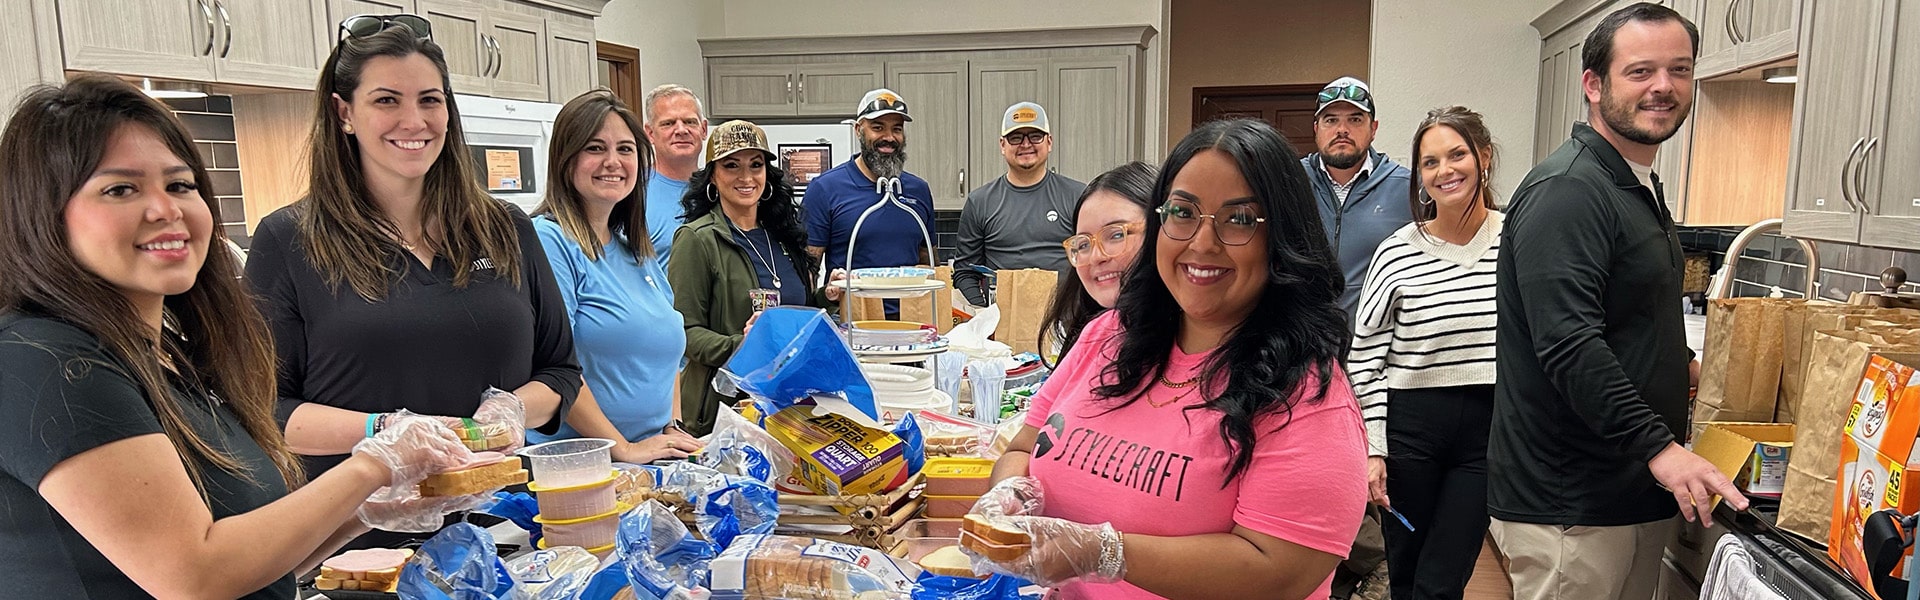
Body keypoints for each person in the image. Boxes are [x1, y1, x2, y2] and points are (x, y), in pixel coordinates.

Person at [0, 73, 476, 599]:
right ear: (43, 216)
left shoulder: (169, 358)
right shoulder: (45, 362)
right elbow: (195, 576)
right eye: (120, 189)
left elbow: (250, 567)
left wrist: (364, 511)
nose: (167, 210)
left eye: (180, 185)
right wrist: (373, 463)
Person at [973, 118, 1367, 599]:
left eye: (1239, 219)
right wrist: (1008, 496)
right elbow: (1021, 450)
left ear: (1281, 240)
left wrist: (1105, 552)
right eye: (1183, 213)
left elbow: (1279, 571)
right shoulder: (1106, 337)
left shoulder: (1307, 397)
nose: (1202, 243)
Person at [245, 16, 580, 547]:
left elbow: (559, 369)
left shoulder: (506, 229)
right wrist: (387, 434)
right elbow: (265, 410)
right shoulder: (288, 240)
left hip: (507, 531)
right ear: (344, 113)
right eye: (386, 100)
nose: (414, 119)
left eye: (430, 99)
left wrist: (512, 408)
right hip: (358, 540)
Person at [1491, 5, 1744, 600]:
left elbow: (1636, 317)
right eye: (1641, 71)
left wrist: (1692, 372)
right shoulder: (1570, 190)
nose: (1663, 87)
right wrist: (1660, 448)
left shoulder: (1630, 181)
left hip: (1625, 488)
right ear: (1594, 84)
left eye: (1679, 70)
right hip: (1572, 502)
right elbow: (1569, 343)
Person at [1348, 106, 1503, 600]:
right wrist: (1374, 448)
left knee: (1441, 581)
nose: (1444, 171)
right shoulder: (1397, 250)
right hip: (1409, 432)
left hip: (1486, 433)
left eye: (1456, 155)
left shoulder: (1518, 238)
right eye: (1430, 162)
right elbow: (1366, 356)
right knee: (1407, 573)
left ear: (1484, 157)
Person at [530, 89, 704, 464]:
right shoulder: (548, 240)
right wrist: (623, 449)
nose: (613, 162)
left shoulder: (634, 249)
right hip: (582, 464)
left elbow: (671, 353)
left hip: (649, 460)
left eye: (625, 149)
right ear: (565, 158)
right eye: (595, 148)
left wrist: (672, 427)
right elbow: (556, 368)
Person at [670, 120, 842, 436]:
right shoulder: (697, 240)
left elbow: (796, 313)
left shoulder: (783, 236)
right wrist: (743, 345)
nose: (746, 177)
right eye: (731, 165)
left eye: (756, 165)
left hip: (792, 402)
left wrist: (826, 298)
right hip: (724, 411)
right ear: (713, 175)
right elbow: (683, 334)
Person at [1302, 76, 1414, 325]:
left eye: (1355, 119)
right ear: (1316, 128)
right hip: (1300, 349)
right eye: (1331, 120)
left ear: (1373, 129)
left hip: (1376, 350)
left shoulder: (1408, 189)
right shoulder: (1289, 181)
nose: (1342, 130)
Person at [953, 102, 1088, 307]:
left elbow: (1092, 262)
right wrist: (983, 315)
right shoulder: (980, 202)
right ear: (1002, 145)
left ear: (1049, 142)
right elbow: (965, 272)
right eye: (1015, 137)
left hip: (1066, 324)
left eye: (1035, 136)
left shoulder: (1078, 196)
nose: (1026, 144)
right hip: (1003, 325)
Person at [1034, 161, 1156, 366]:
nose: (1096, 256)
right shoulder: (1095, 334)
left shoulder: (1193, 344)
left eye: (1116, 235)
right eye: (1083, 245)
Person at [804, 88, 937, 274]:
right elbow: (807, 269)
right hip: (853, 303)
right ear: (858, 130)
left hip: (911, 303)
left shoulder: (918, 190)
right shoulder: (825, 189)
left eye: (897, 129)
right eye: (878, 127)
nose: (889, 137)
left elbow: (929, 263)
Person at [640, 83, 708, 266]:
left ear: (704, 129)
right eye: (668, 123)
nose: (681, 130)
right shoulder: (631, 191)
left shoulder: (718, 188)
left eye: (690, 122)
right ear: (650, 133)